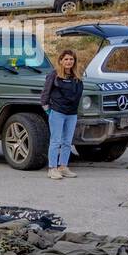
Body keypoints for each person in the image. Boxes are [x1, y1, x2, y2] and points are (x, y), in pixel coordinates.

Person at [40, 49, 83, 179]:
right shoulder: (54, 75)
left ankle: (63, 167)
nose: (69, 62)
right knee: (55, 141)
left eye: (71, 59)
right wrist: (48, 110)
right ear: (60, 61)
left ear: (74, 61)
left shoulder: (77, 77)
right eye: (66, 59)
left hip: (72, 114)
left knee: (67, 142)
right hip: (57, 112)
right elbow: (45, 95)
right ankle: (52, 168)